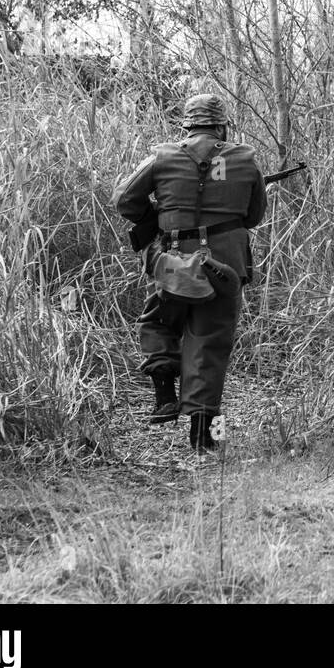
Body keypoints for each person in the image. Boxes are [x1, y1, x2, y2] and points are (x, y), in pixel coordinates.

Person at [111, 94, 266, 452]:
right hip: (224, 267)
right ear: (221, 125)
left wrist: (159, 216)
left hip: (173, 261)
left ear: (187, 125)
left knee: (158, 321)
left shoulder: (163, 156)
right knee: (210, 347)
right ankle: (207, 443)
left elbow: (124, 201)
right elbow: (254, 217)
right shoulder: (245, 159)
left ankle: (164, 393)